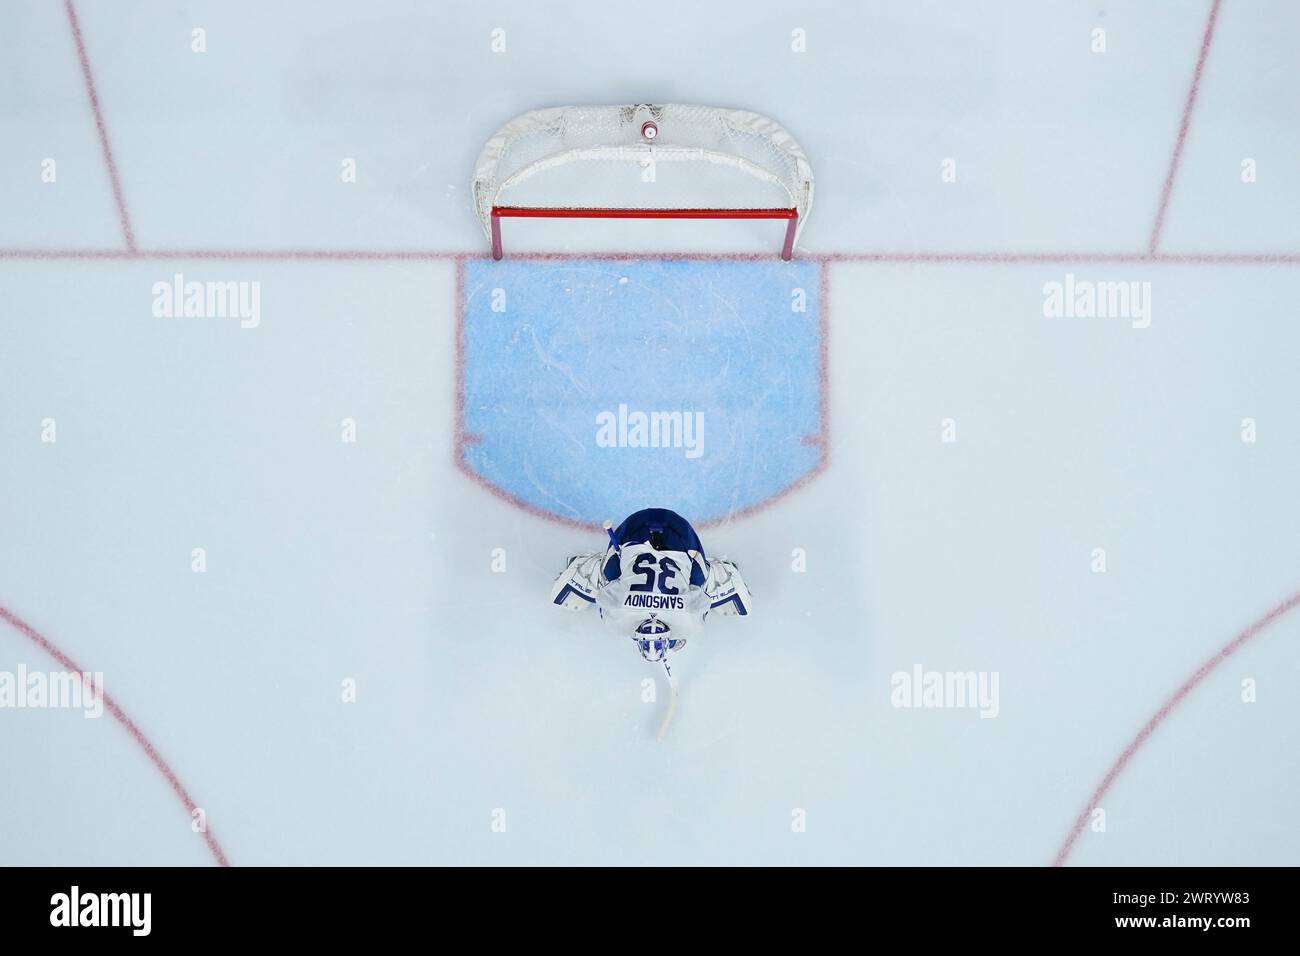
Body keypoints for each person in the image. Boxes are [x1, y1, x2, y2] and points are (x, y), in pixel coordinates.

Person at [549, 507, 751, 663]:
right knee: (608, 580)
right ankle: (582, 571)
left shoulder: (689, 621)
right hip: (664, 530)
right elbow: (604, 598)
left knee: (700, 585)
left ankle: (725, 577)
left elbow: (702, 601)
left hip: (653, 529)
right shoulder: (619, 613)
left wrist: (674, 637)